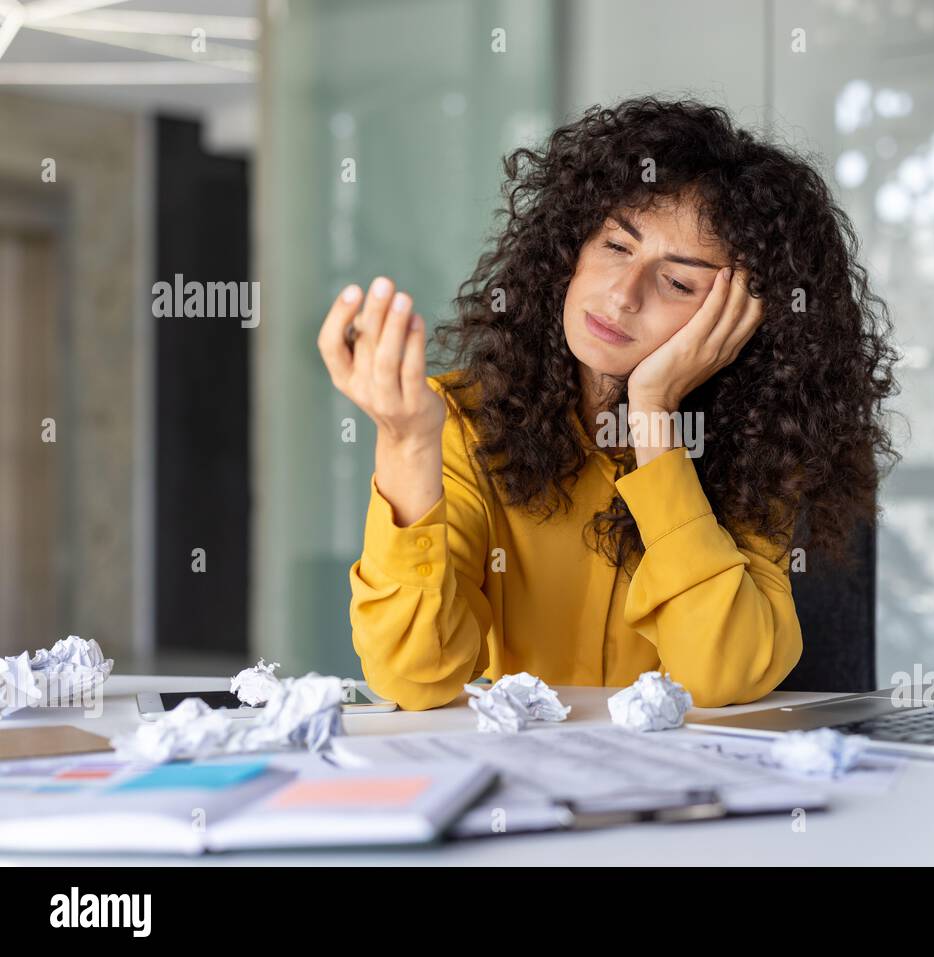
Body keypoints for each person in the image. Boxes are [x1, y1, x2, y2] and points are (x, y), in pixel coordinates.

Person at [317, 96, 897, 710]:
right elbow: (415, 677)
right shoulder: (461, 419)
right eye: (616, 247)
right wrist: (407, 444)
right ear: (572, 247)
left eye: (678, 282)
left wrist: (655, 415)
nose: (622, 295)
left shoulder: (760, 447)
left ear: (743, 320)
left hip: (687, 787)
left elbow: (721, 674)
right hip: (522, 778)